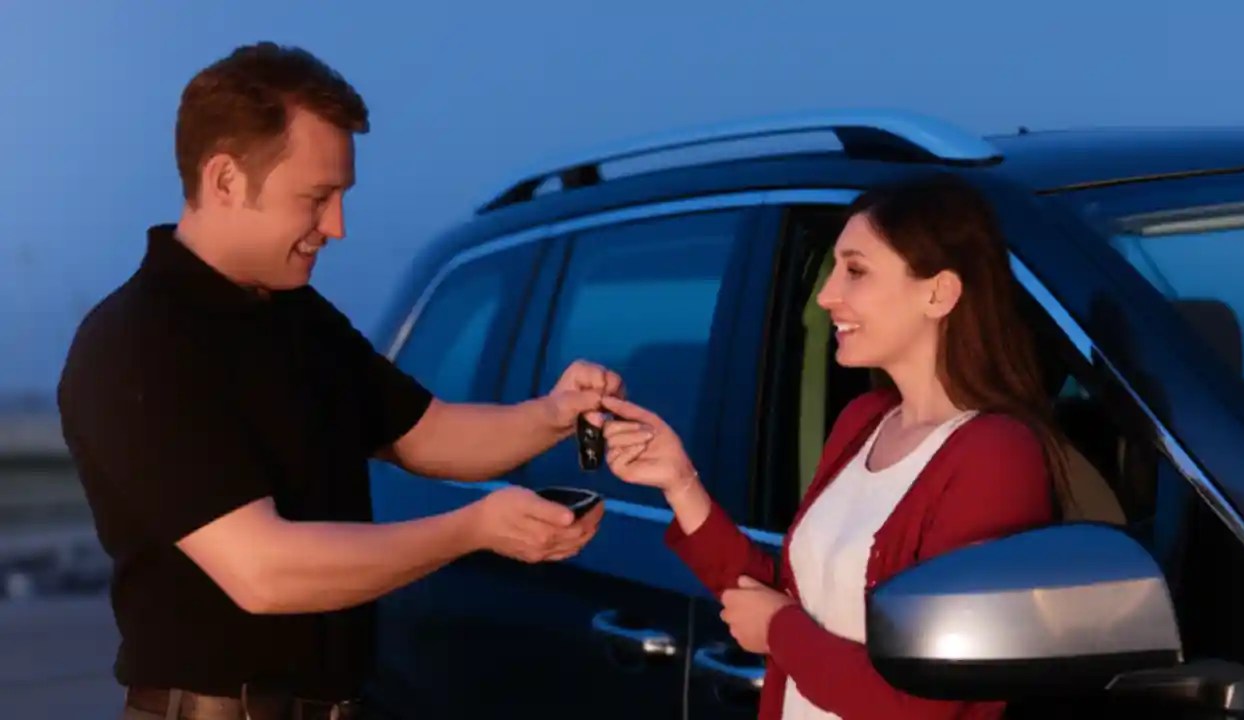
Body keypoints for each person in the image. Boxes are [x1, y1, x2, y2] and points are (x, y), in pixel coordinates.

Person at [56, 42, 617, 720]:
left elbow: (432, 433)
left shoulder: (297, 317)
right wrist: (474, 530)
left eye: (342, 197)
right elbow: (263, 571)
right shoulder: (136, 343)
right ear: (226, 180)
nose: (338, 227)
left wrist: (554, 413)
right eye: (317, 198)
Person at [601, 174, 1064, 720]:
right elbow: (785, 600)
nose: (826, 294)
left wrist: (778, 630)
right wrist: (680, 483)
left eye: (856, 270)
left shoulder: (996, 457)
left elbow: (926, 702)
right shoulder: (864, 421)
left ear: (939, 293)